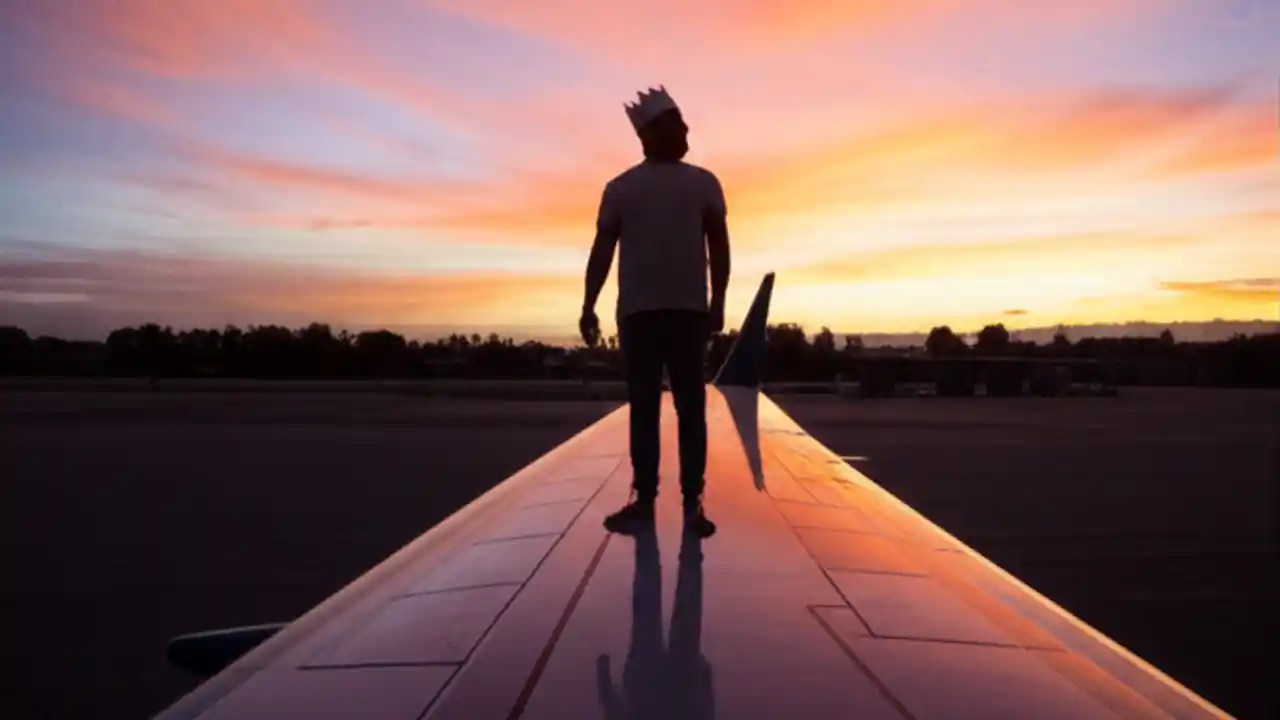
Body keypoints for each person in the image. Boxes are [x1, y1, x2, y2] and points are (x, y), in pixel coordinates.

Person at [579, 86, 730, 538]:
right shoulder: (620, 188)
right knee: (643, 408)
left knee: (691, 408)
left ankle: (693, 501)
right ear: (649, 135)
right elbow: (602, 249)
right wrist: (588, 304)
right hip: (640, 315)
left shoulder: (705, 183)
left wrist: (717, 303)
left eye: (684, 122)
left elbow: (719, 246)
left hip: (688, 313)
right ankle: (644, 499)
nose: (685, 130)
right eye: (676, 123)